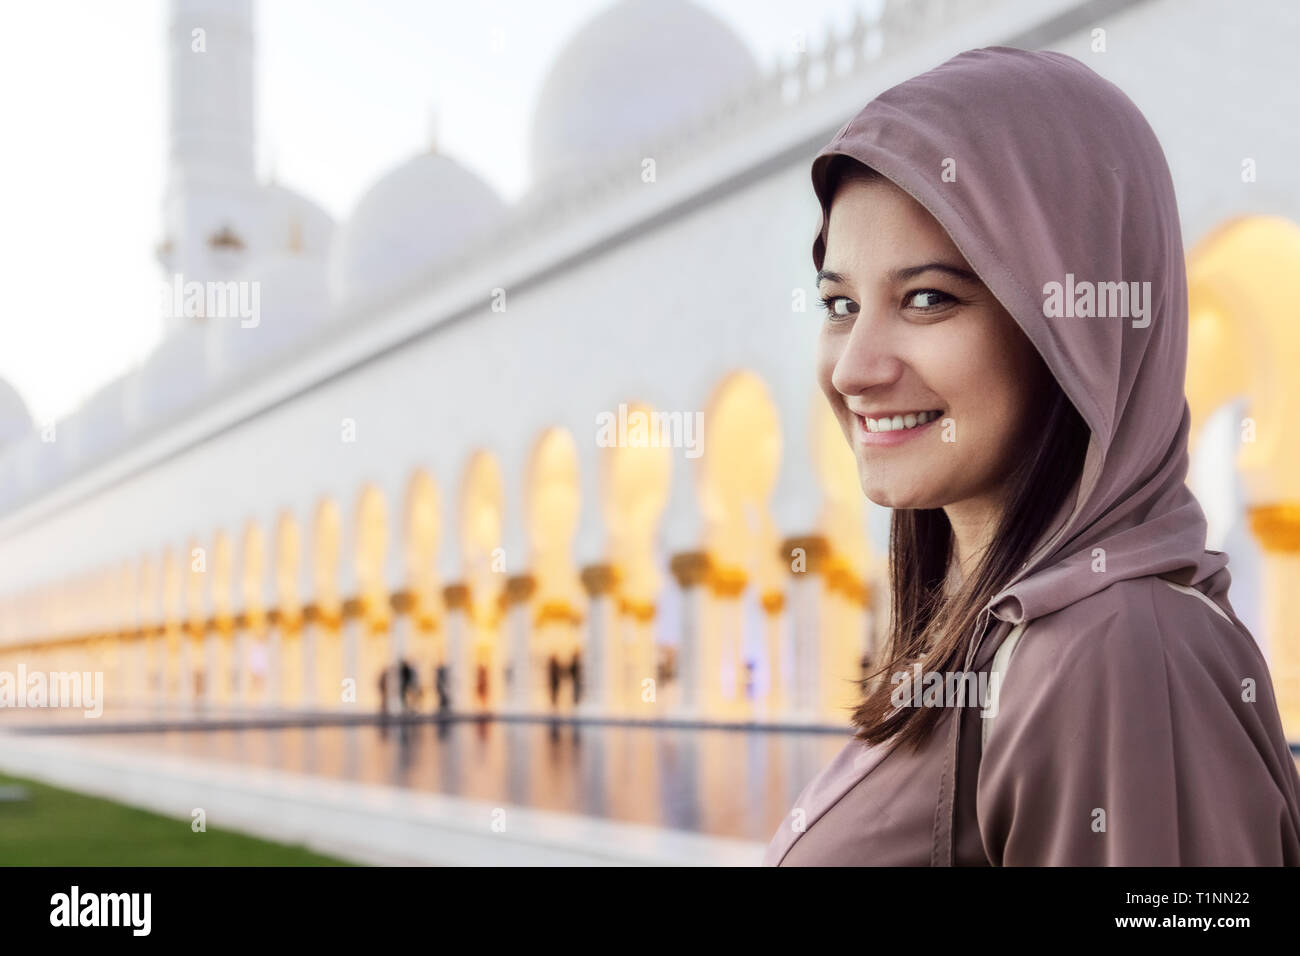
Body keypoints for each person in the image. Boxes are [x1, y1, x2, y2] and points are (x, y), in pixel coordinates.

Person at [764, 47, 1300, 866]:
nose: (852, 369)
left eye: (929, 299)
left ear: (1073, 326)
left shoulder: (1120, 655)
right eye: (840, 304)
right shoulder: (1001, 641)